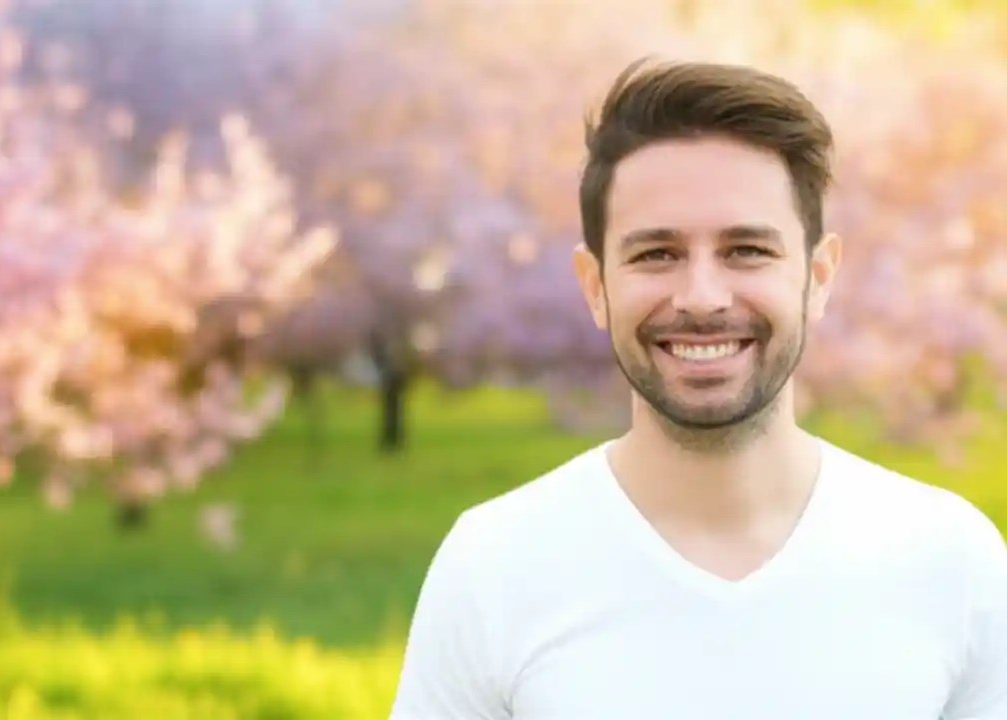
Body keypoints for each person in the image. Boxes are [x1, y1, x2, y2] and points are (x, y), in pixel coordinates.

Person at [389, 57, 1007, 719]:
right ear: (595, 286)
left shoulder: (952, 562)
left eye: (746, 250)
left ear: (819, 276)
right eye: (657, 253)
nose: (703, 297)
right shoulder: (492, 567)